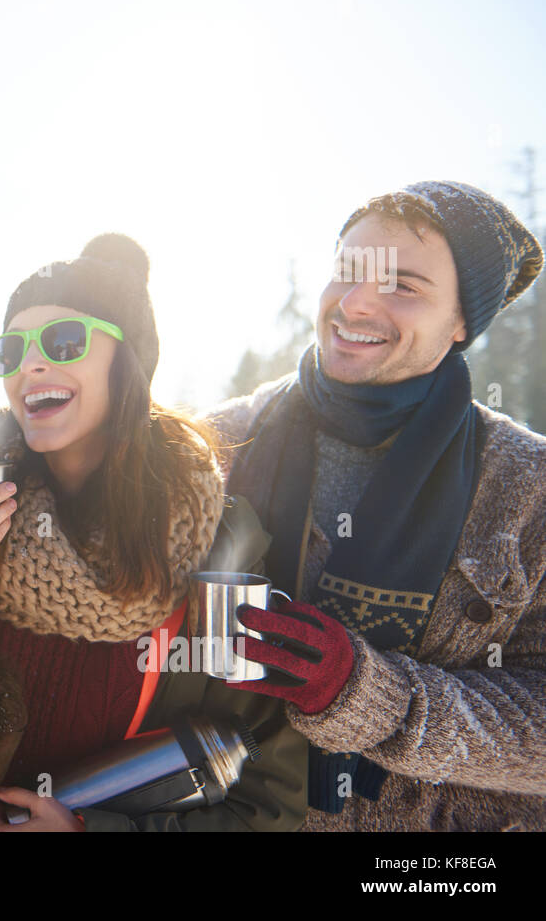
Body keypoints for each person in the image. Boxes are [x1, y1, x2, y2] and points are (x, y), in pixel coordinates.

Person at [0, 233, 307, 831]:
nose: (31, 365)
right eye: (11, 350)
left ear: (127, 359)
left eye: (64, 341)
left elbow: (269, 797)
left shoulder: (219, 548)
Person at [206, 181, 546, 830]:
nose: (355, 302)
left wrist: (368, 696)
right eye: (346, 271)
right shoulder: (216, 443)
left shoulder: (529, 488)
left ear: (461, 323)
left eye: (404, 286)